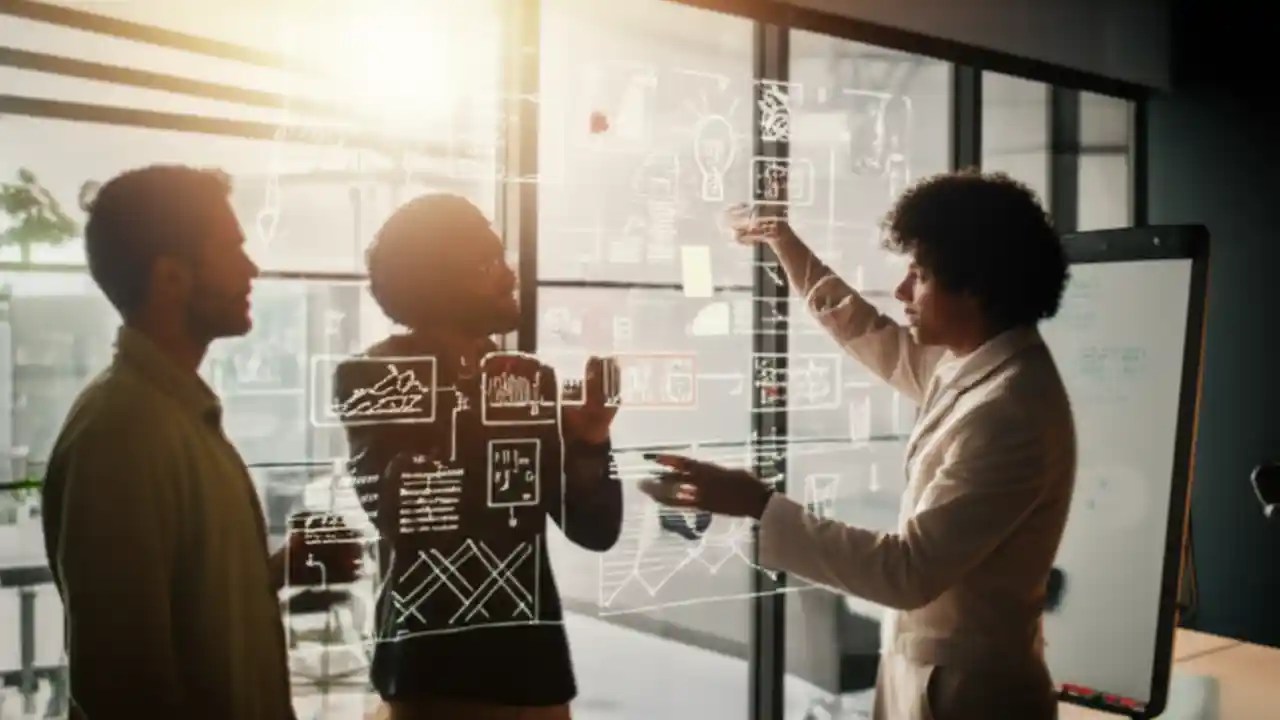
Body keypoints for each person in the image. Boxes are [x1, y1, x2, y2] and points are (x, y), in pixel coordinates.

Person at [641, 170, 1076, 720]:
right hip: (929, 675)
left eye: (918, 275)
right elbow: (865, 331)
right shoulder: (975, 364)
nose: (900, 293)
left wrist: (757, 504)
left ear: (976, 286)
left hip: (969, 697)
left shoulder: (1008, 413)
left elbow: (907, 570)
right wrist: (784, 242)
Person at [40, 165, 346, 719]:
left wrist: (273, 574)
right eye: (232, 248)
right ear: (172, 277)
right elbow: (120, 679)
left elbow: (178, 607)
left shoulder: (173, 415)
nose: (251, 268)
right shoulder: (122, 435)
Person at [333, 193, 623, 720]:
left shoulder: (526, 379)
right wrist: (487, 411)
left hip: (534, 675)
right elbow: (408, 516)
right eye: (487, 264)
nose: (508, 276)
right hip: (430, 673)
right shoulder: (373, 377)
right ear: (437, 279)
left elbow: (594, 529)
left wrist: (589, 440)